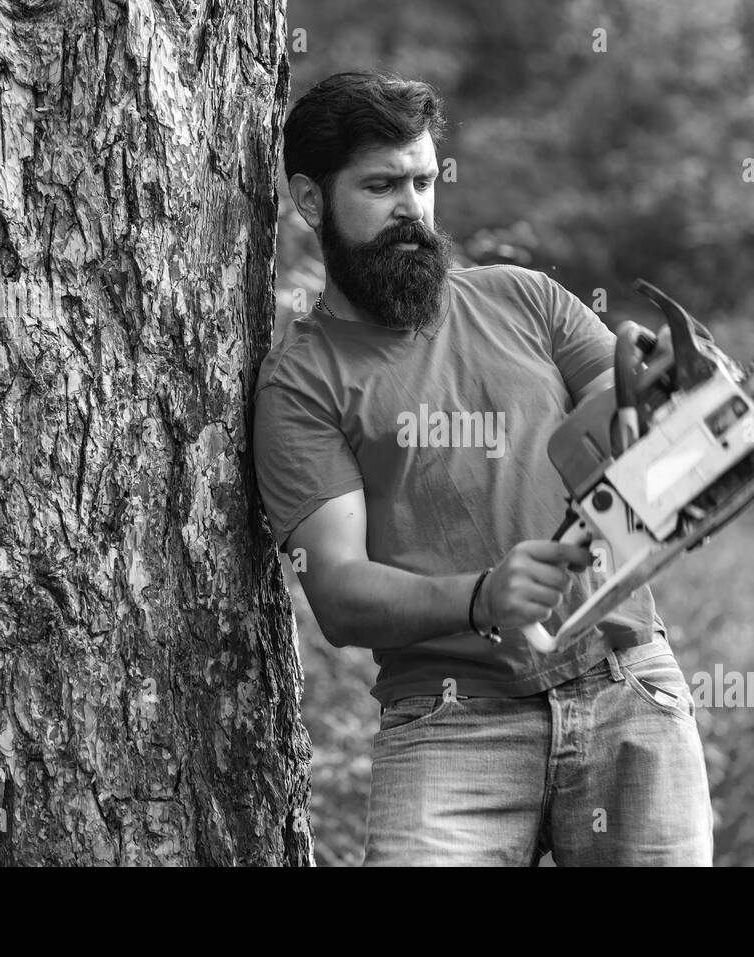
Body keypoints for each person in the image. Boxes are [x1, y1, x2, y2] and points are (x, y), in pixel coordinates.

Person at [252, 69, 713, 866]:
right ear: (310, 199)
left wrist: (686, 411)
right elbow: (337, 588)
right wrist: (481, 595)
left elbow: (634, 425)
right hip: (449, 719)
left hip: (624, 683)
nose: (412, 209)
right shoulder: (302, 379)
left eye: (425, 181)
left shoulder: (527, 301)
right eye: (382, 184)